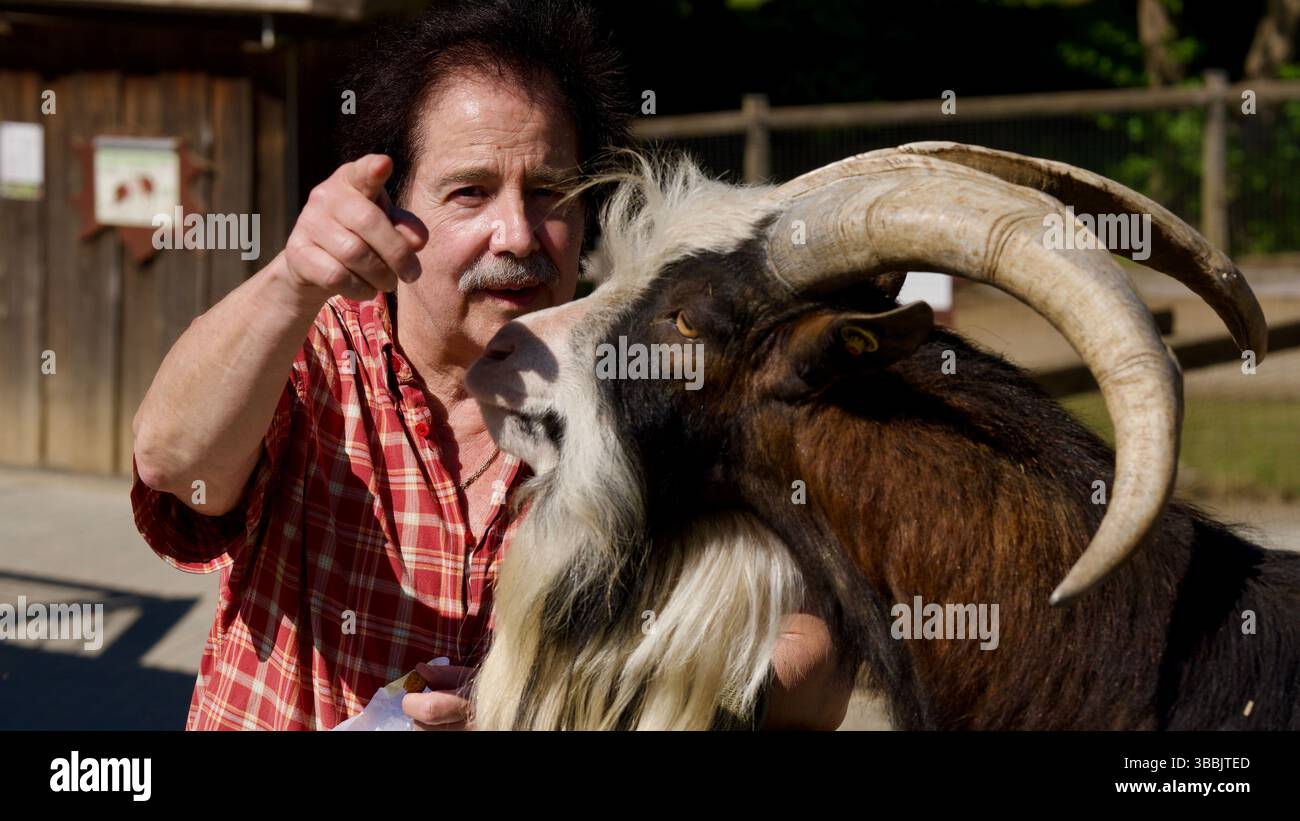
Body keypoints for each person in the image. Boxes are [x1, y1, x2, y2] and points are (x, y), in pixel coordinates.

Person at [130, 0, 852, 730]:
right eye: (471, 191)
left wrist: (582, 705)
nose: (517, 234)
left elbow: (816, 650)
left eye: (549, 193)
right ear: (392, 209)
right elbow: (172, 461)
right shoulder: (315, 355)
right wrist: (291, 278)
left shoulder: (646, 393)